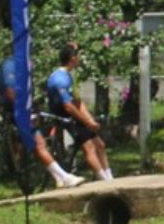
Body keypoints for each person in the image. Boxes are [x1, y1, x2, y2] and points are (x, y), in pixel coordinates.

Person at [0, 53, 83, 189]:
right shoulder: (10, 65)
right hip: (16, 113)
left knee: (38, 145)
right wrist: (25, 111)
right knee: (39, 144)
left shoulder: (21, 65)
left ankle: (59, 178)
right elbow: (10, 92)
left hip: (23, 111)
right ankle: (64, 177)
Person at [45, 43, 113, 182]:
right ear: (72, 58)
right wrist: (86, 122)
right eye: (78, 55)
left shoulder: (69, 76)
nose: (80, 58)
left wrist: (90, 120)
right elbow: (68, 106)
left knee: (100, 145)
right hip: (67, 117)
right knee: (89, 147)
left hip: (76, 114)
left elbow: (77, 101)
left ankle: (110, 178)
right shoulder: (59, 79)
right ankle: (103, 180)